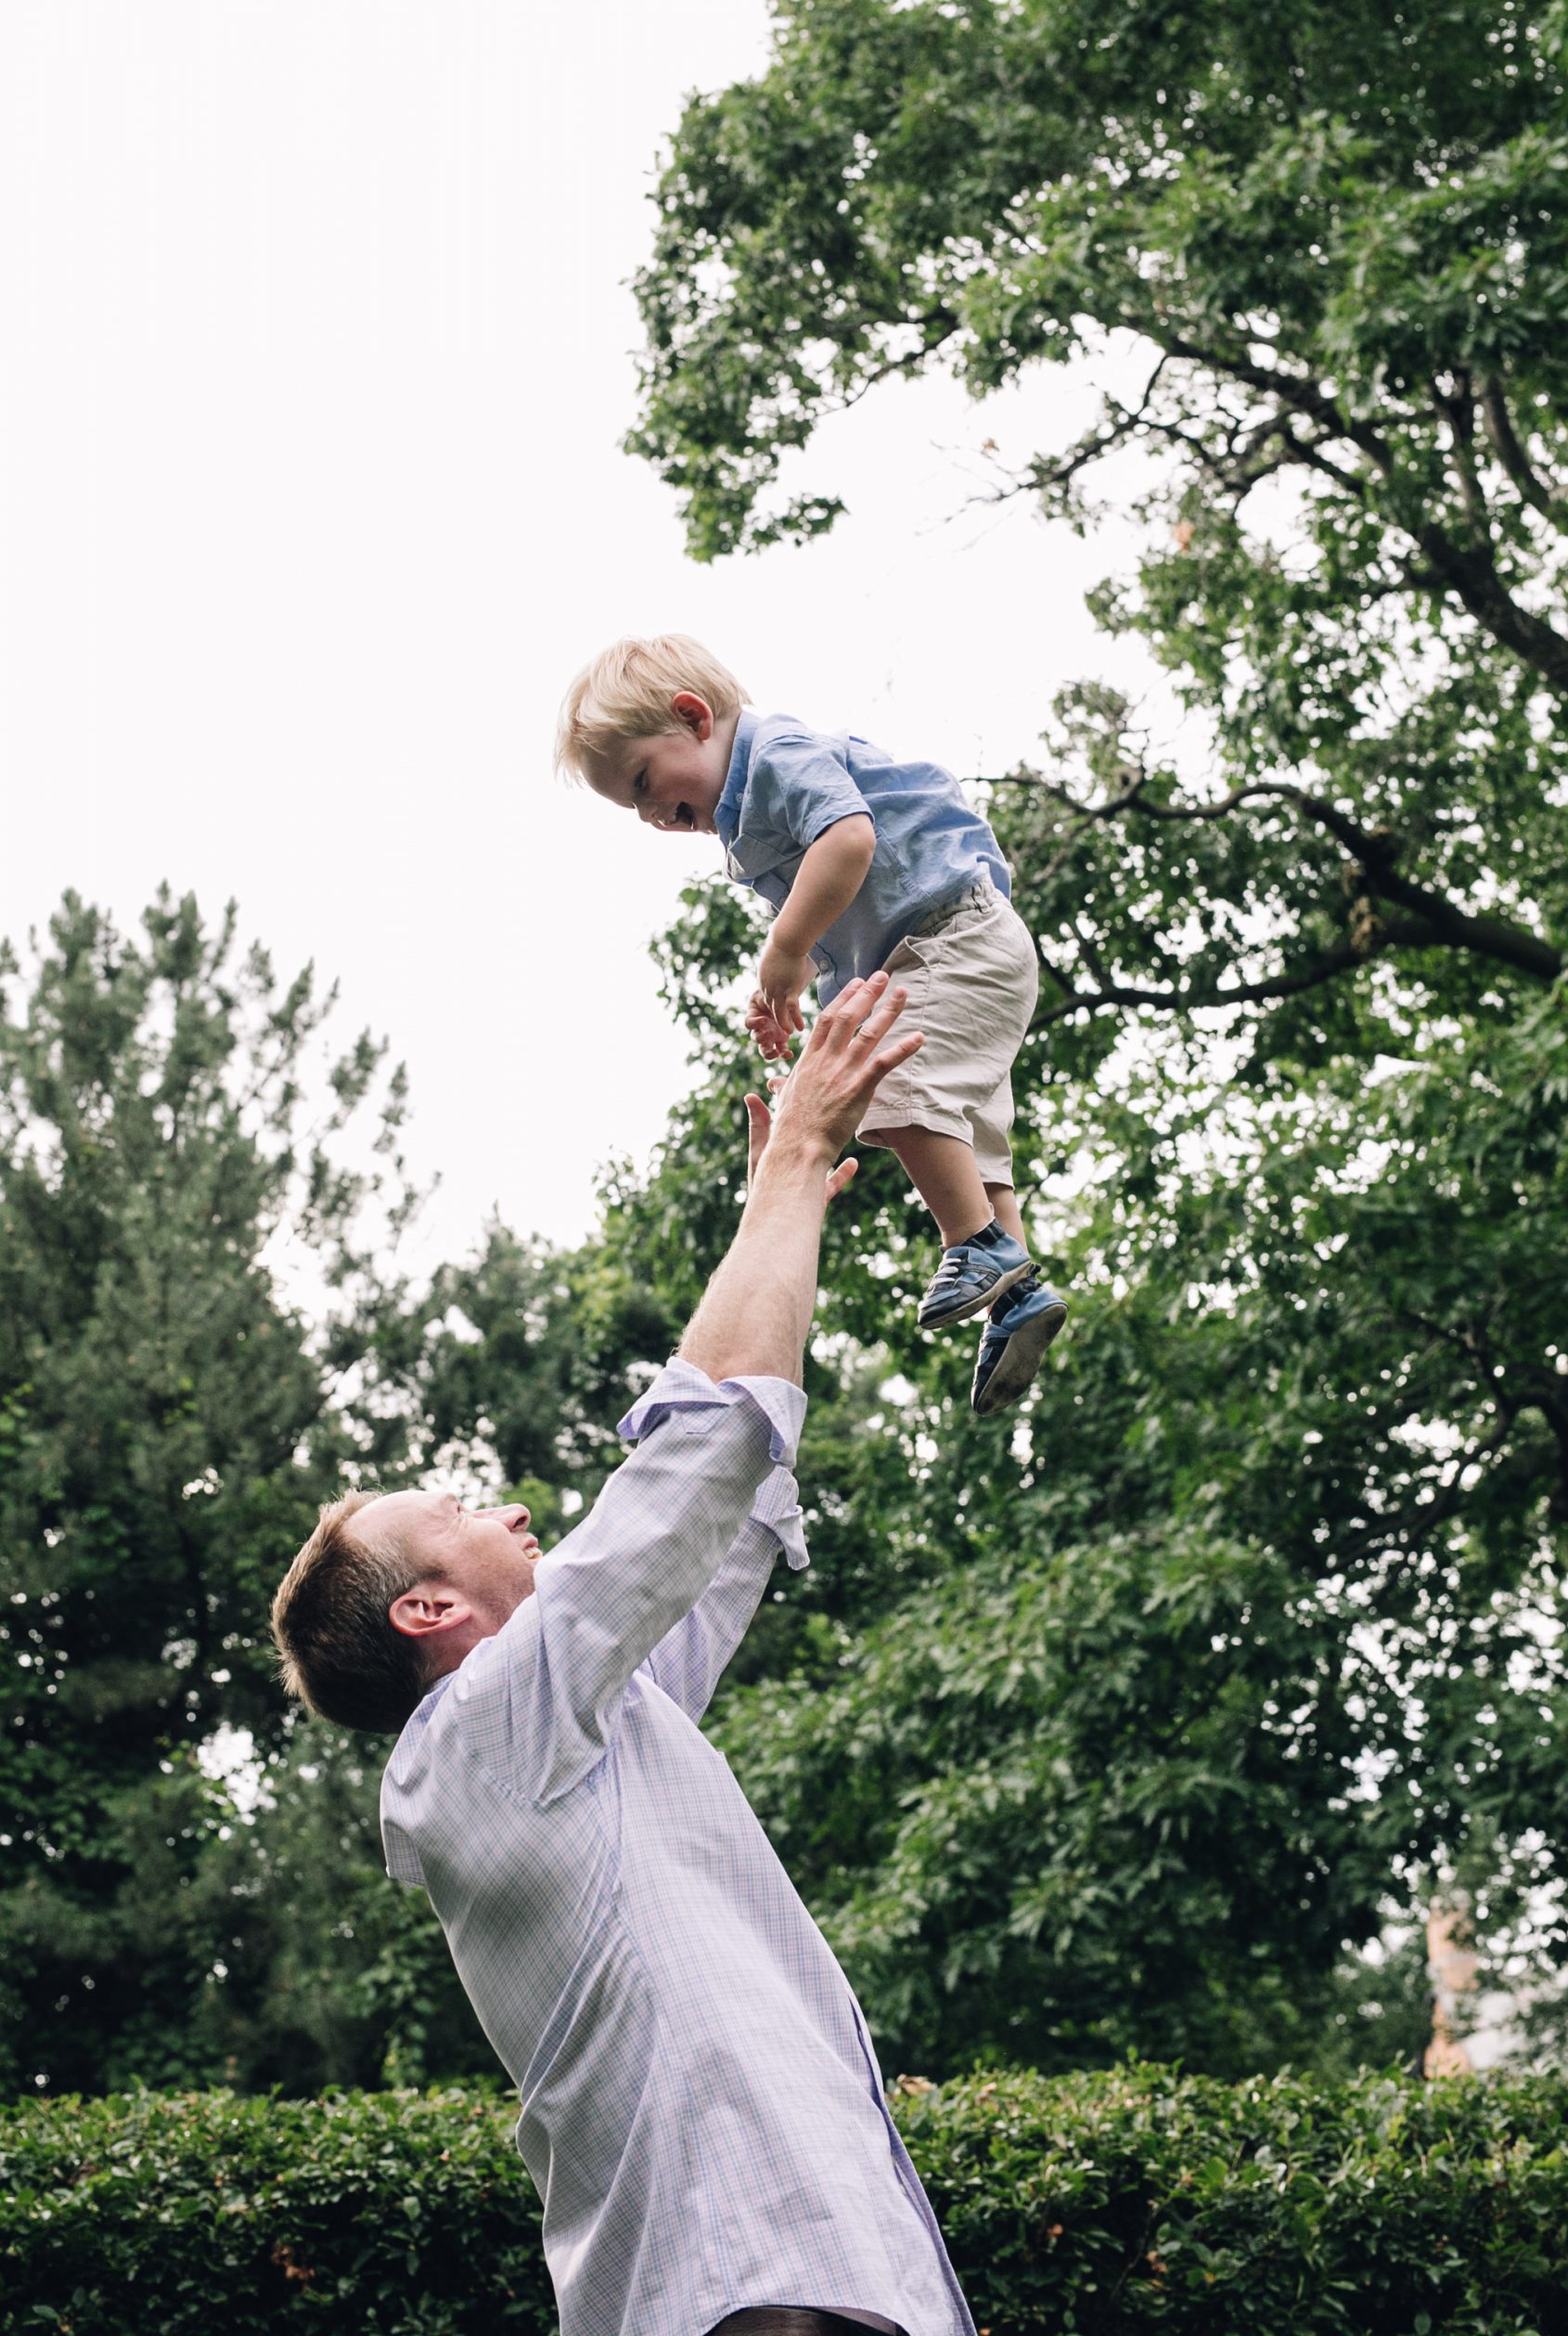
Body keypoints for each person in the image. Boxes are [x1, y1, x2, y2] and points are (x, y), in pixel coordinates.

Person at [271, 974, 977, 2336]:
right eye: (463, 1512)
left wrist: (775, 1211)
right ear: (427, 1615)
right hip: (752, 2297)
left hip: (821, 2276)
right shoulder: (478, 1740)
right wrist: (786, 1158)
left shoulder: (582, 1724)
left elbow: (714, 1510)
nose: (514, 1508)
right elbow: (686, 1471)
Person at [555, 631, 1067, 1416]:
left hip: (953, 938)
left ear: (693, 717)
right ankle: (1016, 1296)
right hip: (943, 955)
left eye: (644, 782)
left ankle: (975, 1248)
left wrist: (784, 948)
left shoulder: (776, 756)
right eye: (633, 806)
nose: (650, 815)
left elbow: (850, 839)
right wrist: (790, 994)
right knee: (967, 1139)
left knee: (885, 1091)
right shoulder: (745, 813)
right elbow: (843, 924)